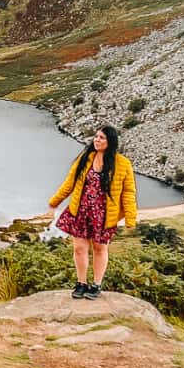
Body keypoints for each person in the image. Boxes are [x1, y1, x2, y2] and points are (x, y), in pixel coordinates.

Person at [46, 124, 138, 299]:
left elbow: (128, 193)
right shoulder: (85, 158)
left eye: (102, 137)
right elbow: (69, 183)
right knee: (79, 248)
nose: (97, 140)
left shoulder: (123, 164)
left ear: (110, 141)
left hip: (104, 214)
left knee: (99, 249)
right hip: (81, 210)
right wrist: (54, 202)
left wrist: (130, 219)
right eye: (96, 136)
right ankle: (81, 283)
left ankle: (96, 285)